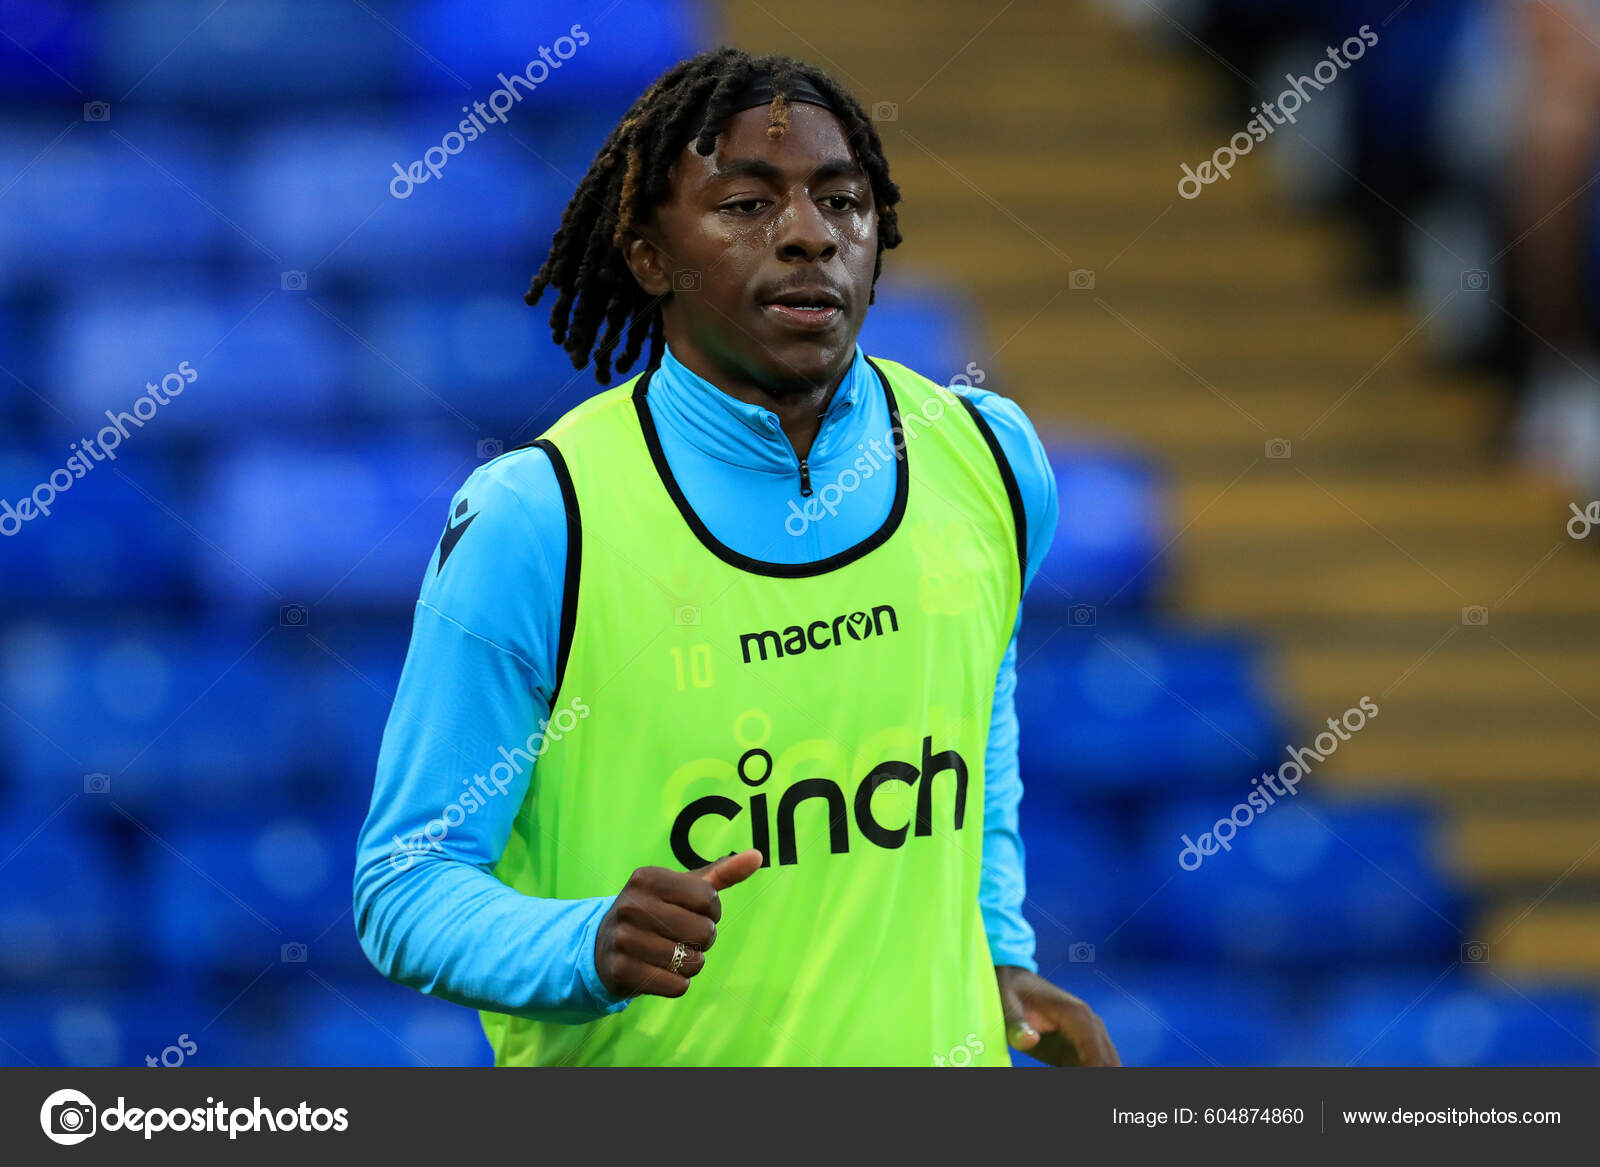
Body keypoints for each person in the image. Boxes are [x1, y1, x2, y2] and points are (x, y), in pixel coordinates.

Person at [354, 46, 1118, 1068]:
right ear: (648, 256)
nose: (809, 236)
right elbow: (404, 881)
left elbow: (974, 727)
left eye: (840, 201)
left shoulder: (986, 457)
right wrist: (575, 942)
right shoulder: (540, 518)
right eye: (747, 206)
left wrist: (995, 956)